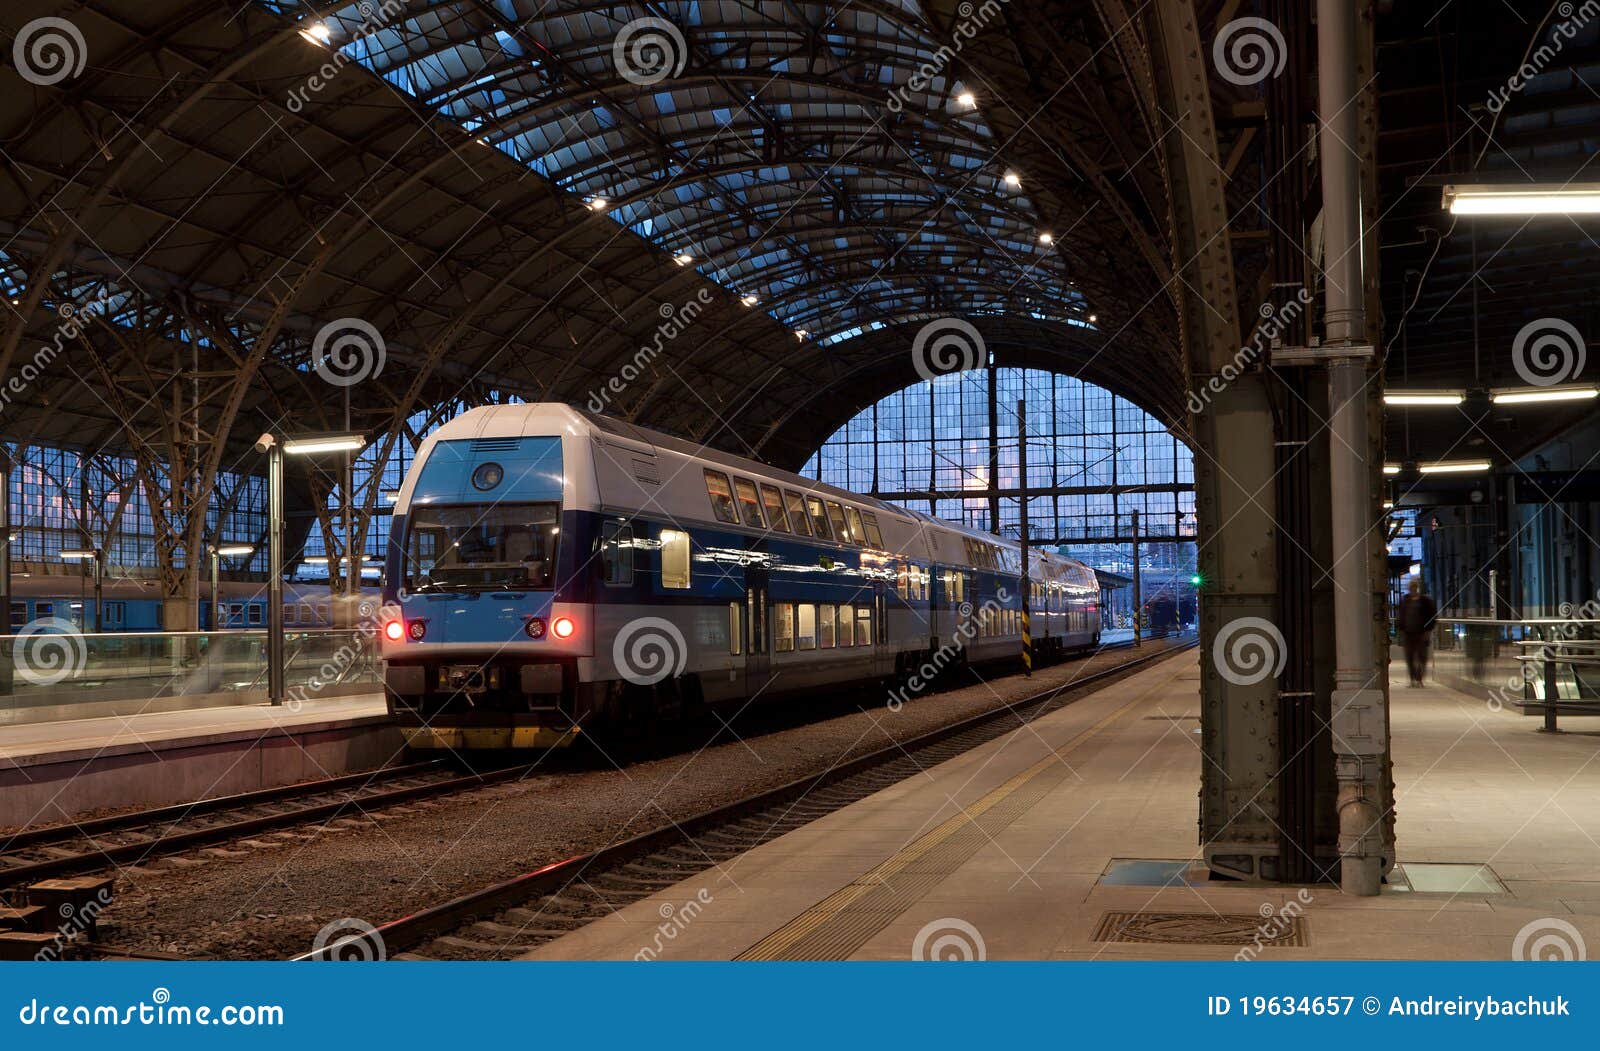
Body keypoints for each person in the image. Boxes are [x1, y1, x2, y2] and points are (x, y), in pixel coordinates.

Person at [1397, 578, 1437, 686]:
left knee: (1422, 657)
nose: (1412, 589)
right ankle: (1412, 679)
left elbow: (1432, 616)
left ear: (1417, 588)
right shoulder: (1405, 600)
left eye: (1414, 587)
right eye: (1411, 587)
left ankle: (1419, 678)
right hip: (1408, 633)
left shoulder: (1425, 601)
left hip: (1421, 633)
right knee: (1409, 657)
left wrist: (1428, 631)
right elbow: (1401, 615)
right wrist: (1400, 630)